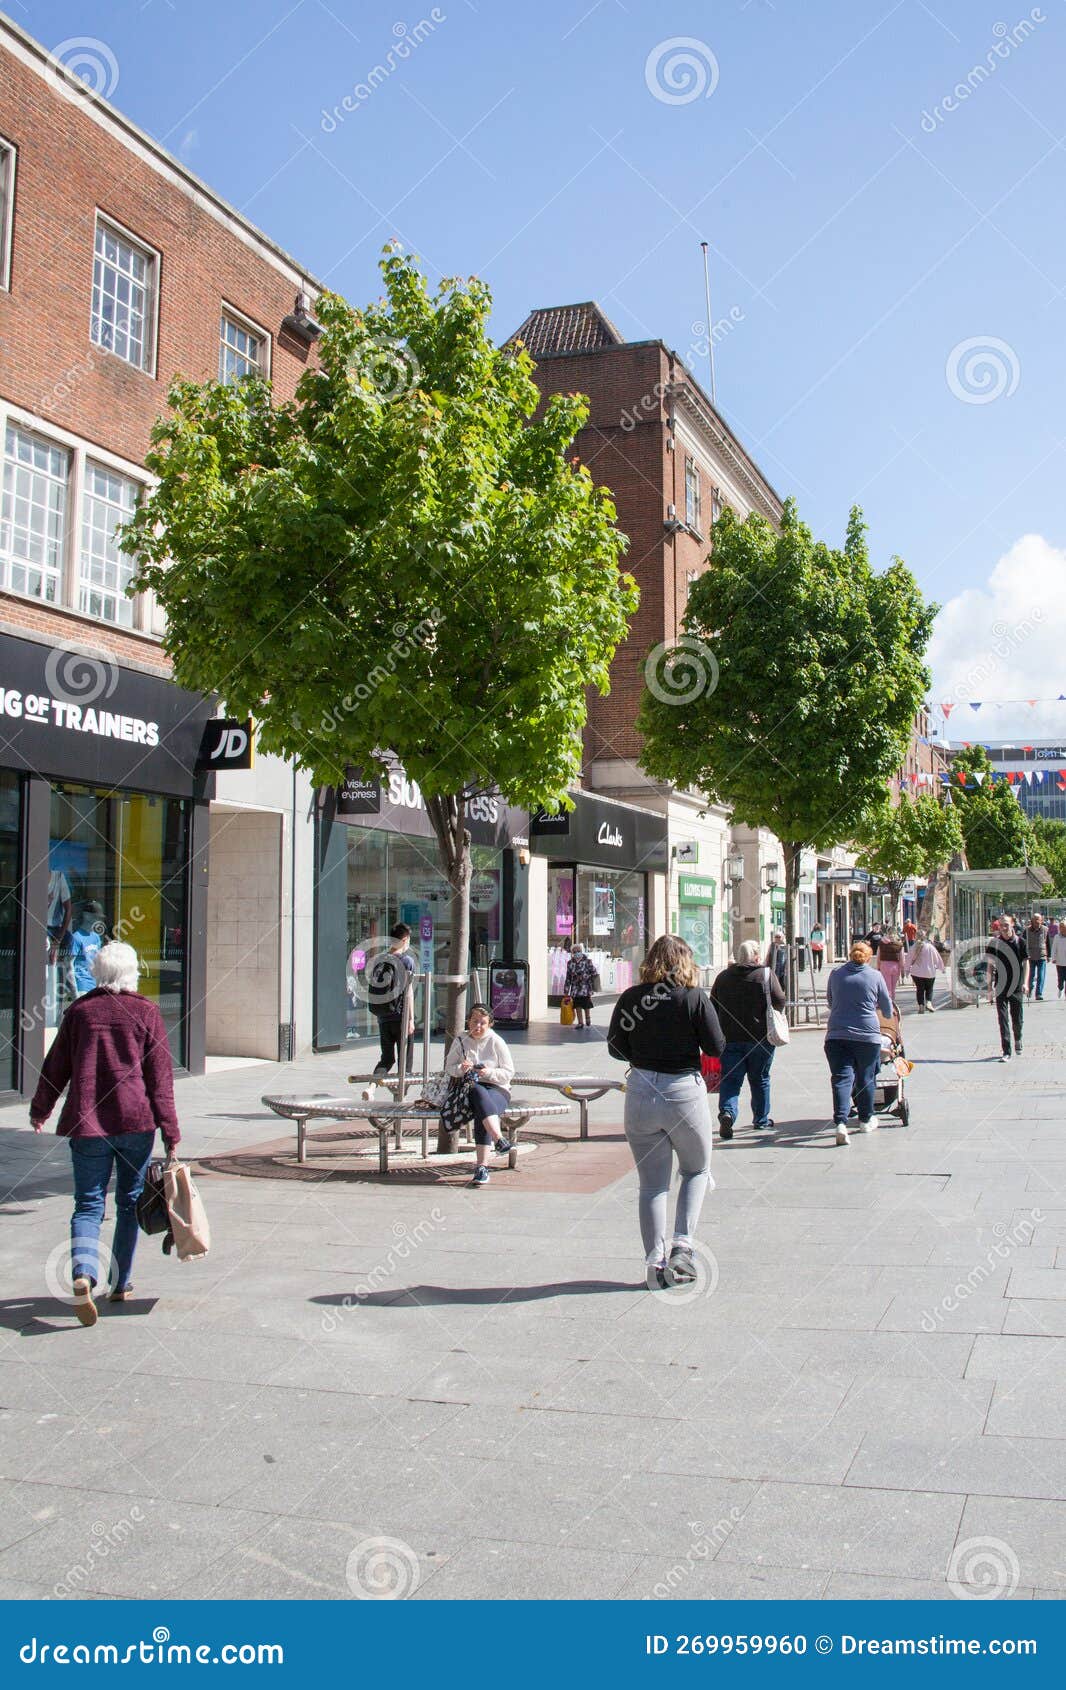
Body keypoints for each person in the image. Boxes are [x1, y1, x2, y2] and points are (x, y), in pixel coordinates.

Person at [28, 941, 180, 1326]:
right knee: (129, 1202)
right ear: (132, 973)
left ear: (97, 972)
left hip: (88, 1122)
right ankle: (120, 1282)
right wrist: (170, 1131)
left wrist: (40, 1109)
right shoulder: (146, 1012)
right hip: (135, 1123)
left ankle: (83, 1273)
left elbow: (55, 1066)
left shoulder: (80, 1012)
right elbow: (160, 1080)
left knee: (88, 1204)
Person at [607, 935, 725, 1287]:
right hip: (683, 1091)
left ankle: (654, 1264)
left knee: (652, 1186)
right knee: (696, 1169)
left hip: (641, 1090)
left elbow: (615, 1046)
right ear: (686, 962)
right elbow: (716, 1045)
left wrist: (641, 1054)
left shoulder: (631, 997)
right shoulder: (693, 998)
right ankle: (683, 1247)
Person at [710, 939, 786, 1138]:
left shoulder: (723, 977)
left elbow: (713, 1006)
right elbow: (780, 1000)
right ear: (756, 956)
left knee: (731, 1080)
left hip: (730, 1039)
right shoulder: (766, 975)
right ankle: (761, 1120)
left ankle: (727, 1112)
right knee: (760, 1079)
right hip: (761, 1038)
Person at [824, 940, 893, 1146]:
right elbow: (887, 1008)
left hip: (836, 1035)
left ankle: (840, 1123)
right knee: (866, 1077)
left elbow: (830, 1001)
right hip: (867, 1036)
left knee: (841, 1078)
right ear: (868, 956)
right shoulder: (875, 976)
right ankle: (865, 1119)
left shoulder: (836, 974)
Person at [445, 1003, 515, 1187]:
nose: (477, 1026)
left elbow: (508, 1072)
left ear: (490, 1024)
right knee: (476, 1091)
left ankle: (482, 1167)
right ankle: (498, 1141)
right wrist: (462, 1068)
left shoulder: (496, 1041)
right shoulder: (460, 1039)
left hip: (497, 1088)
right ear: (468, 1021)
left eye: (482, 1023)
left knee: (482, 1109)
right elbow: (449, 1067)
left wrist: (488, 1072)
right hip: (470, 1088)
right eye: (474, 1021)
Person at [369, 923, 416, 1081]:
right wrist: (411, 1019)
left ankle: (372, 1087)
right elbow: (408, 993)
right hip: (400, 1017)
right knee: (405, 1061)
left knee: (387, 1059)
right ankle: (400, 1092)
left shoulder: (379, 960)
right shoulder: (407, 961)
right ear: (405, 939)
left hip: (383, 1017)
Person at [987, 915, 1027, 1061]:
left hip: (1016, 986)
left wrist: (1025, 983)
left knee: (1017, 1019)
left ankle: (1018, 1037)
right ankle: (1006, 1051)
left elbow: (1025, 963)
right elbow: (990, 966)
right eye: (1001, 925)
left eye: (1006, 925)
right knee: (1002, 1019)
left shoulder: (1020, 942)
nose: (1004, 928)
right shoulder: (995, 944)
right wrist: (989, 988)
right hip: (1001, 986)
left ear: (1012, 925)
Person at [67, 902, 106, 997]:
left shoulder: (96, 937)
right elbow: (69, 965)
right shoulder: (76, 937)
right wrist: (75, 993)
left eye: (99, 917)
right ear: (86, 915)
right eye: (95, 916)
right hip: (82, 987)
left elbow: (97, 962)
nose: (98, 920)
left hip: (95, 986)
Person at [907, 930, 944, 1012]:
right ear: (925, 937)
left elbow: (908, 959)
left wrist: (906, 970)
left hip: (916, 972)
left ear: (916, 937)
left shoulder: (913, 947)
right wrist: (942, 968)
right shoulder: (930, 947)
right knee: (929, 989)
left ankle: (921, 1005)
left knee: (920, 989)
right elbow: (937, 958)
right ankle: (929, 1003)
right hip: (929, 972)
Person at [563, 941, 598, 1029]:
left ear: (581, 951)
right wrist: (566, 991)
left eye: (578, 951)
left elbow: (594, 972)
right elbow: (568, 977)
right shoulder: (570, 963)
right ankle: (580, 1022)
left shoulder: (587, 961)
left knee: (586, 1005)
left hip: (585, 988)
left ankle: (588, 1018)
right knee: (577, 1005)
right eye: (574, 952)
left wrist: (584, 976)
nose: (577, 953)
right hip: (575, 989)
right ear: (572, 953)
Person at [876, 928, 906, 1007]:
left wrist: (878, 967)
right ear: (896, 934)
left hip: (884, 965)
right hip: (895, 967)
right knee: (893, 987)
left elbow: (878, 956)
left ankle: (888, 1002)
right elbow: (902, 958)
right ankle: (892, 1001)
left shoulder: (881, 943)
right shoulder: (899, 945)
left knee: (886, 986)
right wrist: (903, 969)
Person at [1024, 913, 1049, 1001]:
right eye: (1035, 920)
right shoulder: (1026, 930)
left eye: (1039, 920)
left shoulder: (1045, 929)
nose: (1037, 922)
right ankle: (1030, 989)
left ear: (1041, 921)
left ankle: (1039, 993)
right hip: (1030, 956)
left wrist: (1049, 956)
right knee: (1030, 975)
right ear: (1032, 921)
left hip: (1041, 955)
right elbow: (1022, 942)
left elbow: (1048, 943)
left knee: (1041, 975)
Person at [1051, 923, 1066, 999]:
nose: (1063, 929)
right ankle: (1060, 988)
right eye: (1062, 927)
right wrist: (1053, 958)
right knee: (1061, 978)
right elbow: (1054, 948)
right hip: (1060, 962)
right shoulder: (1057, 937)